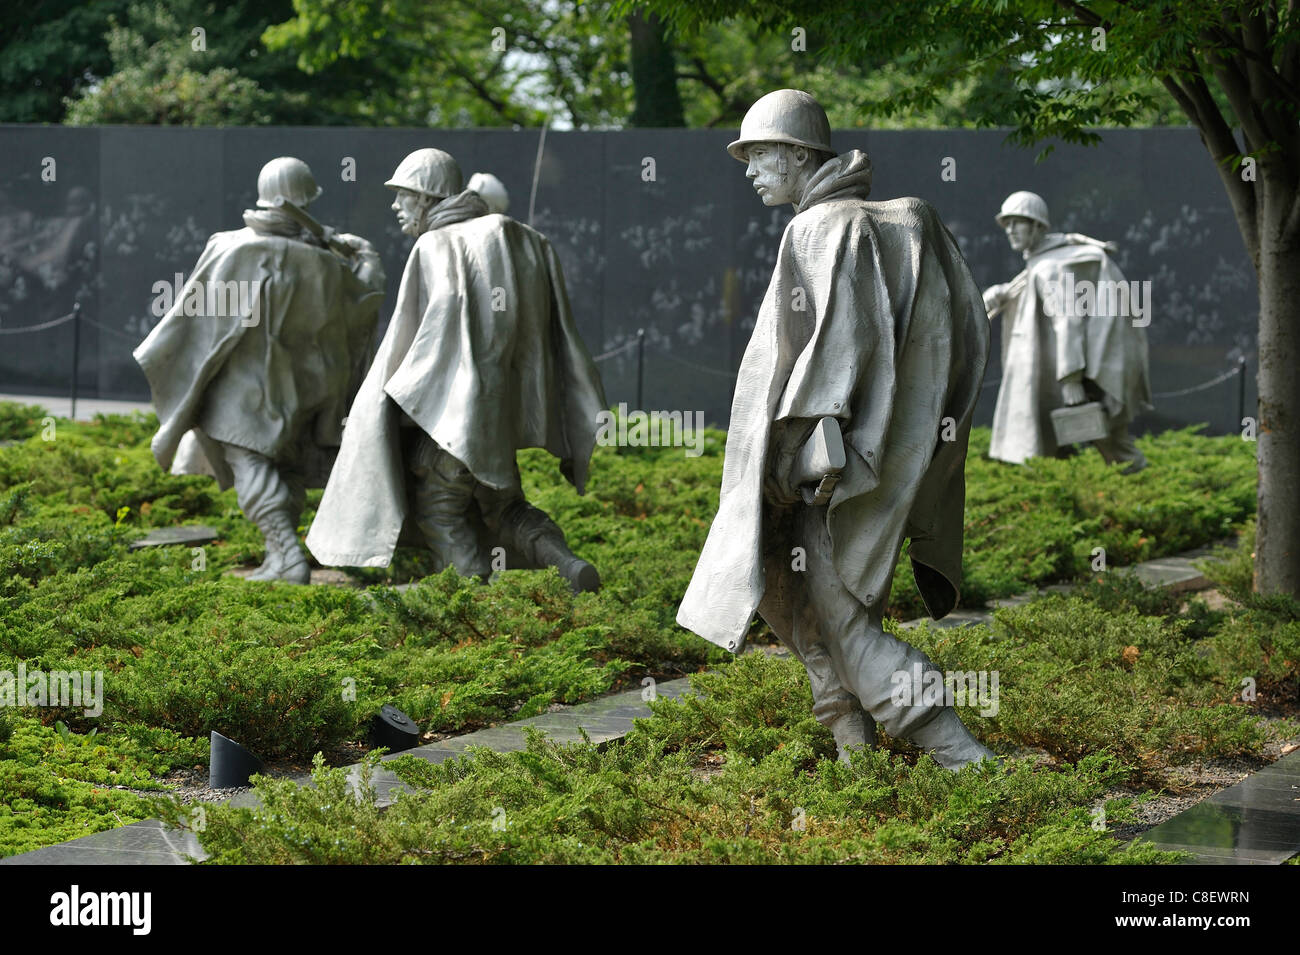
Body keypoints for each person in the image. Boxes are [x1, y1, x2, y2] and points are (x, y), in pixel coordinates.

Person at [677, 90, 995, 770]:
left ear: (799, 155)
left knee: (843, 623)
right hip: (872, 462)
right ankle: (856, 761)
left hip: (825, 472)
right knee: (802, 609)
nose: (750, 170)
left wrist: (791, 462)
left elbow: (830, 356)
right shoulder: (897, 222)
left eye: (760, 154)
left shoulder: (820, 228)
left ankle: (963, 756)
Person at [306, 148, 606, 593]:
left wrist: (383, 405)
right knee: (506, 507)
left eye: (404, 195)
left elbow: (419, 342)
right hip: (500, 415)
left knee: (439, 509)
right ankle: (566, 563)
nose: (396, 205)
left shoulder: (435, 245)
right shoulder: (523, 237)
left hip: (451, 416)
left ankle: (470, 596)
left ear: (428, 196)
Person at [135, 157, 384, 583]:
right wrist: (367, 259)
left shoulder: (232, 246)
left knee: (249, 458)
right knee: (286, 464)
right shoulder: (326, 262)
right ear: (306, 200)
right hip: (305, 386)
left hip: (245, 387)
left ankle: (287, 554)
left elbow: (196, 321)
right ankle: (278, 556)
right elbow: (359, 312)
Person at [983, 191, 1152, 469]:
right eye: (1007, 224)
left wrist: (1071, 379)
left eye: (1018, 222)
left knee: (1112, 445)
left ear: (1037, 226)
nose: (1010, 230)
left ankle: (1141, 488)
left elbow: (1067, 319)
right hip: (1057, 373)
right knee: (1058, 445)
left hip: (1072, 378)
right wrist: (1004, 292)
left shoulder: (1050, 267)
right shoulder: (1045, 260)